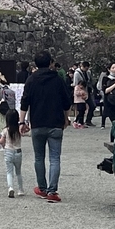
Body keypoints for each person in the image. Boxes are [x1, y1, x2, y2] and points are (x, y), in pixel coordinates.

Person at [21, 50, 73, 203]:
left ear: (35, 64)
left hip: (37, 122)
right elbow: (66, 102)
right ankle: (52, 191)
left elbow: (25, 102)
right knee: (55, 158)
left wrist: (21, 121)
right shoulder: (57, 79)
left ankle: (42, 188)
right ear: (51, 63)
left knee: (39, 157)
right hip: (55, 123)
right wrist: (65, 119)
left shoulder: (31, 80)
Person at [0, 106, 25, 198]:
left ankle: (10, 188)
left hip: (8, 151)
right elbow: (27, 131)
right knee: (18, 172)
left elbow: (1, 141)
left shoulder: (6, 130)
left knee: (9, 172)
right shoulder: (19, 129)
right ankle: (21, 189)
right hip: (18, 152)